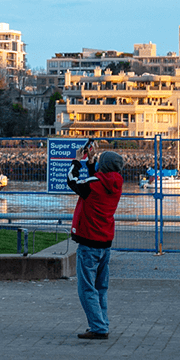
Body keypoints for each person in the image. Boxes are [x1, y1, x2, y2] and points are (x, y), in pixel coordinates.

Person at [67, 144, 124, 340]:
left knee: (86, 288)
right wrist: (91, 163)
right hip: (104, 242)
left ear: (104, 165)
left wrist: (77, 161)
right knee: (101, 288)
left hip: (89, 242)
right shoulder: (115, 183)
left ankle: (98, 327)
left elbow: (72, 181)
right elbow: (95, 182)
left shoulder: (93, 185)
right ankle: (102, 323)